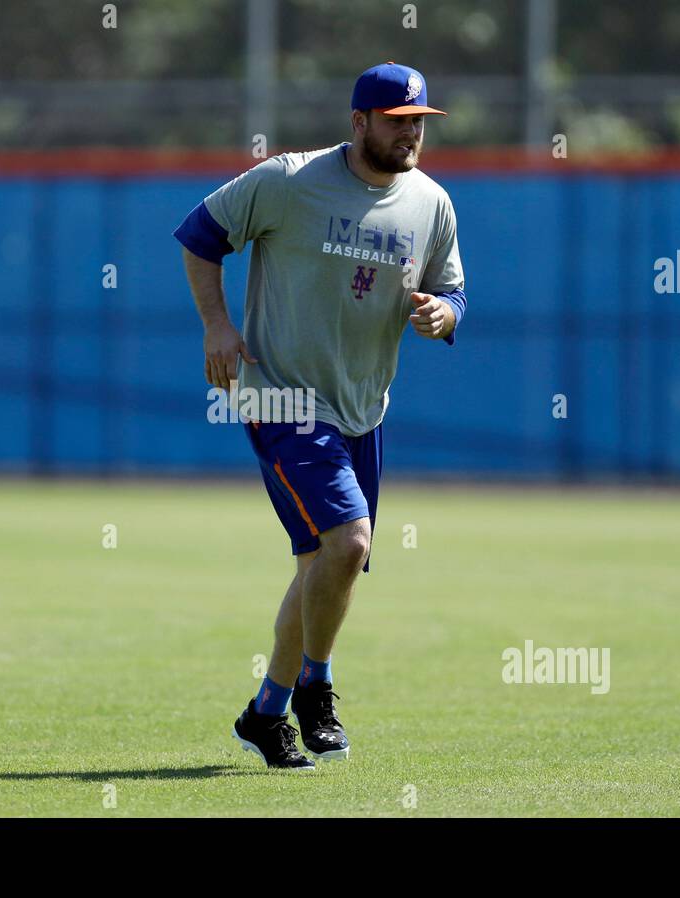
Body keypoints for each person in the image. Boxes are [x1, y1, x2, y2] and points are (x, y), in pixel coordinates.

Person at [173, 62, 466, 769]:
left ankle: (265, 714)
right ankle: (316, 686)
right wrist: (217, 325)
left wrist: (443, 313)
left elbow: (453, 289)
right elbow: (199, 234)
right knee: (349, 544)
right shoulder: (288, 182)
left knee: (321, 566)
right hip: (282, 397)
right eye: (397, 122)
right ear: (359, 121)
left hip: (363, 407)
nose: (410, 135)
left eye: (419, 123)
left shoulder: (431, 203)